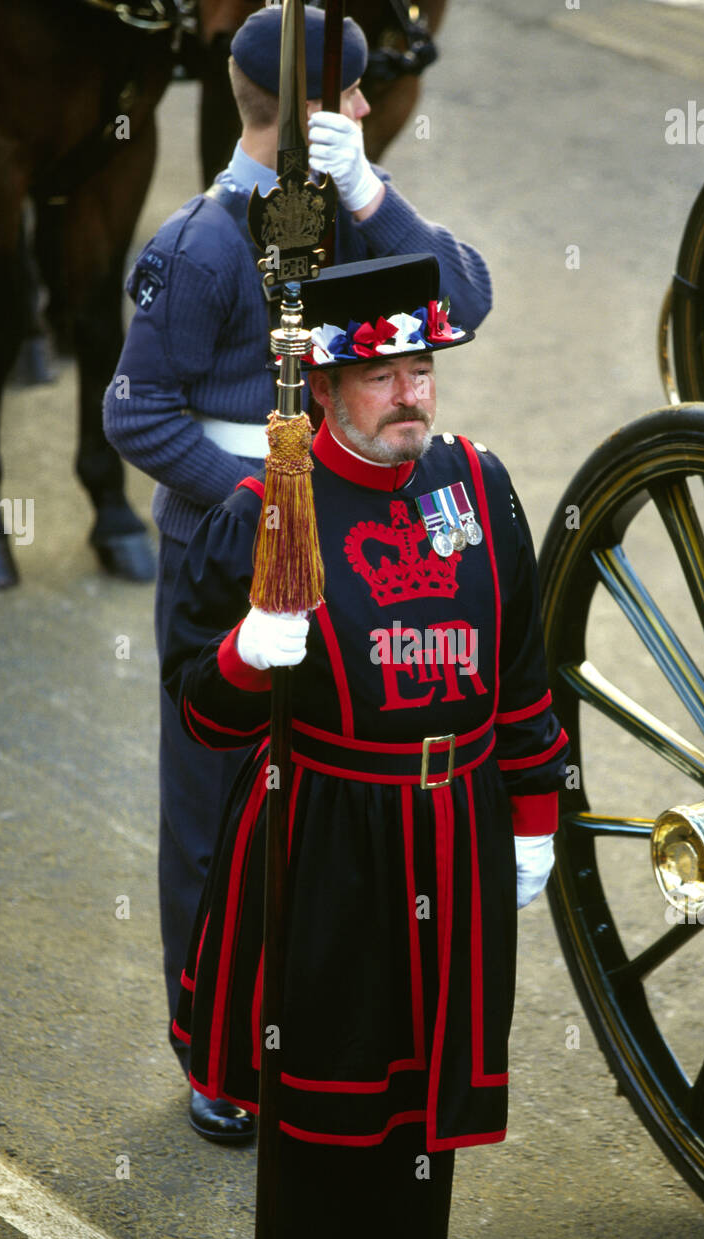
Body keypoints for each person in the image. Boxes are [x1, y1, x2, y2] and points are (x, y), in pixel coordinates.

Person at [102, 5, 492, 1142]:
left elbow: (460, 302)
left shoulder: (357, 229)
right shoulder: (198, 244)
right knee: (216, 801)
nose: (370, 112)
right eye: (355, 98)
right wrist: (256, 500)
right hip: (231, 555)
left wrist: (371, 195)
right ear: (314, 110)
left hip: (349, 562)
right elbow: (135, 411)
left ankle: (312, 1027)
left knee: (319, 799)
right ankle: (210, 1050)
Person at [162, 253, 569, 1239]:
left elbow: (526, 667)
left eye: (423, 365)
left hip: (458, 837)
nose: (412, 393)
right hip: (328, 845)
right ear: (327, 386)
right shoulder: (266, 507)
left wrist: (532, 813)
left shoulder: (479, 482)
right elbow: (202, 711)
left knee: (423, 1121)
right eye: (385, 374)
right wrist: (252, 651)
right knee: (323, 1118)